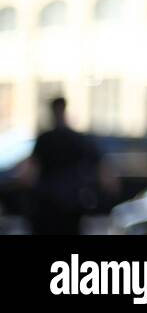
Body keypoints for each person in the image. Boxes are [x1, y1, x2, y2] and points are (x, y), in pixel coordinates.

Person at [17, 97, 120, 235]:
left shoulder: (45, 139)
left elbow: (30, 173)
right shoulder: (77, 139)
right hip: (71, 201)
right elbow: (102, 170)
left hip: (48, 202)